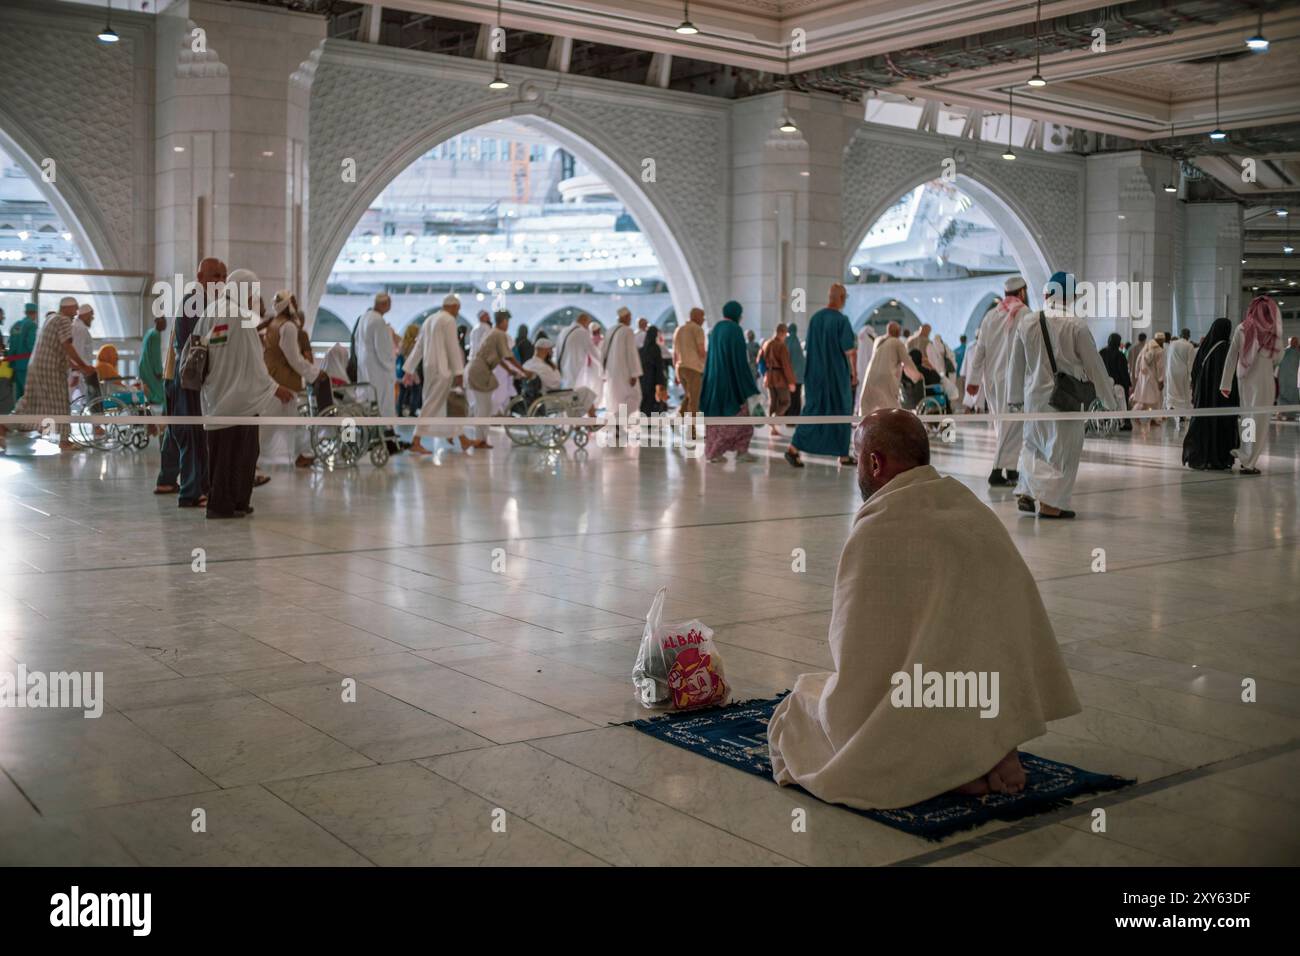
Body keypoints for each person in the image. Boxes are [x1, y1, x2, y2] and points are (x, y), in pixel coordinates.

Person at [768, 409, 1080, 808]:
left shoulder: (879, 527)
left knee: (798, 714)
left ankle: (941, 767)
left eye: (858, 456)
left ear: (875, 462)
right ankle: (988, 748)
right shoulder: (969, 508)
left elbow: (859, 657)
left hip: (923, 700)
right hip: (985, 700)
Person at [1007, 272, 1118, 518]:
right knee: (1061, 452)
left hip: (1034, 399)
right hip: (1065, 400)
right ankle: (1051, 505)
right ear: (1071, 298)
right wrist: (1110, 402)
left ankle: (1026, 488)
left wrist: (1013, 399)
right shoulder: (1076, 325)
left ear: (1046, 294)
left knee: (1033, 446)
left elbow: (1015, 365)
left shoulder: (1027, 322)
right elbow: (1095, 367)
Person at [194, 269, 293, 519]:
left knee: (220, 456)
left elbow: (197, 347)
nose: (253, 298)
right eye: (252, 292)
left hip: (215, 397)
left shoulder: (211, 311)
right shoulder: (241, 317)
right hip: (241, 401)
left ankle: (220, 503)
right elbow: (254, 364)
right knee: (243, 455)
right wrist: (274, 388)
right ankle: (235, 503)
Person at [155, 258, 222, 504]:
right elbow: (192, 346)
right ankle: (193, 492)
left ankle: (167, 480)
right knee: (192, 434)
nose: (221, 281)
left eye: (223, 276)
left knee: (177, 433)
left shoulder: (203, 302)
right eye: (215, 276)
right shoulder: (196, 302)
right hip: (186, 379)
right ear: (201, 277)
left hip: (176, 376)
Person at [0, 298, 93, 451]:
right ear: (67, 308)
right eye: (74, 309)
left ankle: (4, 426)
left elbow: (56, 348)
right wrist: (83, 366)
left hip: (34, 365)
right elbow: (66, 345)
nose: (76, 312)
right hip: (50, 368)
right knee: (61, 402)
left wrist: (76, 366)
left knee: (30, 401)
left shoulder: (50, 318)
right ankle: (64, 441)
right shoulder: (63, 320)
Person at [965, 276, 1031, 486]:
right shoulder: (1024, 314)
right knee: (1011, 425)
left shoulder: (991, 316)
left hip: (992, 380)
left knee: (1003, 424)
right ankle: (996, 470)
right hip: (1015, 380)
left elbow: (980, 349)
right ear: (1022, 292)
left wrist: (973, 380)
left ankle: (1011, 470)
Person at [786, 283, 857, 468]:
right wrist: (854, 373)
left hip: (815, 375)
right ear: (841, 299)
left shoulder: (815, 319)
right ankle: (843, 454)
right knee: (841, 411)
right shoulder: (842, 321)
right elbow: (850, 350)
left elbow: (808, 347)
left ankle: (793, 449)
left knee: (812, 410)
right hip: (836, 376)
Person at [1220, 295, 1283, 475]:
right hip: (1264, 380)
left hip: (1244, 379)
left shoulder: (1242, 328)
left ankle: (1246, 454)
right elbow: (1278, 358)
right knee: (1260, 421)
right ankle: (1250, 461)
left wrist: (1226, 384)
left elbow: (1232, 356)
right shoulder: (1273, 332)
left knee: (1247, 417)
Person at [401, 293, 469, 455]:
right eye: (457, 309)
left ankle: (462, 438)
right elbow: (453, 347)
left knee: (446, 404)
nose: (457, 313)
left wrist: (409, 369)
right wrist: (459, 372)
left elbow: (418, 347)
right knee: (432, 404)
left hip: (429, 368)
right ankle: (416, 441)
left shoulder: (429, 320)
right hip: (443, 369)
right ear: (452, 307)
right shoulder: (448, 320)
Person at [259, 290, 320, 468]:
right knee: (269, 424)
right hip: (284, 382)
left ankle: (300, 454)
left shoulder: (275, 323)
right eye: (293, 300)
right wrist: (314, 374)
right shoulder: (289, 326)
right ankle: (251, 456)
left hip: (275, 379)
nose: (296, 303)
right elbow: (294, 358)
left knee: (293, 422)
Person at [699, 300, 759, 463]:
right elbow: (739, 360)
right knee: (739, 418)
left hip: (714, 380)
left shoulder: (716, 329)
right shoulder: (735, 330)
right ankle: (736, 451)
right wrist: (748, 384)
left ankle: (713, 451)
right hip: (731, 382)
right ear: (737, 314)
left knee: (716, 419)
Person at [465, 307, 530, 449]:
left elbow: (500, 358)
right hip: (480, 370)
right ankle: (479, 439)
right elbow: (509, 356)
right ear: (504, 321)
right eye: (507, 321)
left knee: (484, 407)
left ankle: (481, 439)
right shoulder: (498, 334)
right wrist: (524, 371)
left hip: (480, 369)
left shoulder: (493, 333)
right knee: (484, 408)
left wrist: (510, 371)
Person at [1182, 318, 1238, 471]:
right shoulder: (1227, 348)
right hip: (1223, 399)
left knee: (1204, 424)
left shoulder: (1205, 347)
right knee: (1221, 426)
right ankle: (1220, 458)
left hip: (1204, 396)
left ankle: (1202, 456)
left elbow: (1194, 371)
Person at [857, 321, 921, 418]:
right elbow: (907, 362)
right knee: (893, 414)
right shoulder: (897, 342)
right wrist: (917, 376)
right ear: (898, 332)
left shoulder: (878, 341)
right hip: (885, 380)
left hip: (870, 379)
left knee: (866, 413)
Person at [355, 293, 397, 421]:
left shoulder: (364, 317)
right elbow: (383, 349)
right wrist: (391, 367)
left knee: (369, 396)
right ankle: (384, 431)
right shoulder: (378, 320)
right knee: (382, 400)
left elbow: (356, 341)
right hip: (378, 368)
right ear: (385, 304)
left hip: (365, 363)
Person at [601, 306, 641, 427]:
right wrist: (634, 373)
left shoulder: (610, 330)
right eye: (629, 317)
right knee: (634, 397)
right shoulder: (627, 331)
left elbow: (602, 352)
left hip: (611, 371)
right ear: (625, 317)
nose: (630, 319)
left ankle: (617, 424)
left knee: (617, 400)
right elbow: (631, 353)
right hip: (625, 371)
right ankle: (617, 422)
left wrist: (603, 372)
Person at [557, 312, 601, 413]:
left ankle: (574, 422)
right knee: (578, 395)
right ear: (584, 321)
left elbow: (558, 350)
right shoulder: (582, 332)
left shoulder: (564, 330)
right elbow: (593, 351)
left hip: (563, 368)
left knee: (569, 393)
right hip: (575, 369)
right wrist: (603, 364)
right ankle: (577, 420)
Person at [759, 323, 795, 437]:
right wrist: (791, 381)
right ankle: (775, 418)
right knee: (786, 401)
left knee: (773, 402)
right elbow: (786, 365)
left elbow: (759, 361)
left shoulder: (766, 344)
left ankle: (773, 428)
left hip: (769, 377)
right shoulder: (781, 346)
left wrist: (765, 373)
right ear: (782, 333)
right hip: (780, 377)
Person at [672, 307, 707, 415]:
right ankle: (692, 430)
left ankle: (677, 419)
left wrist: (675, 371)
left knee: (689, 396)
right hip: (693, 368)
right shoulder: (697, 329)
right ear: (696, 317)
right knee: (694, 401)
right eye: (702, 317)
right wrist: (708, 363)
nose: (703, 320)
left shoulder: (679, 329)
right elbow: (701, 351)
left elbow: (675, 354)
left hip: (680, 368)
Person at [1098, 332, 1132, 431]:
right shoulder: (1120, 355)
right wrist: (1128, 384)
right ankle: (1124, 421)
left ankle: (1105, 419)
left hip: (1104, 383)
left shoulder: (1102, 353)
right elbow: (1123, 372)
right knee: (1123, 399)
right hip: (1118, 384)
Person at [1131, 331, 1165, 425]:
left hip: (1143, 377)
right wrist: (1161, 380)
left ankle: (1135, 415)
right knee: (1155, 399)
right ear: (1161, 340)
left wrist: (1137, 374)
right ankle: (1155, 419)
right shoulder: (1159, 350)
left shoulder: (1146, 346)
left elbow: (1138, 360)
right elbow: (1160, 367)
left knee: (1142, 399)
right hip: (1153, 378)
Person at [1164, 328, 1197, 426]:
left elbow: (1168, 358)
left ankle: (1171, 409)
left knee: (1172, 392)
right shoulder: (1189, 346)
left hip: (1171, 370)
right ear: (1188, 335)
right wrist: (1192, 378)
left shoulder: (1172, 344)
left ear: (1180, 334)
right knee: (1183, 393)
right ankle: (1182, 414)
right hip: (1183, 372)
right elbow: (1190, 363)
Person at [8, 303, 38, 401]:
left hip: (16, 364)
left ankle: (18, 415)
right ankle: (28, 416)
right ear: (35, 313)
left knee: (19, 394)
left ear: (25, 312)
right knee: (29, 394)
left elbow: (12, 344)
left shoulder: (17, 325)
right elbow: (31, 344)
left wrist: (11, 361)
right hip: (27, 364)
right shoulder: (31, 325)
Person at [68, 303, 96, 407]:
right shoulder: (80, 329)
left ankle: (95, 423)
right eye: (91, 315)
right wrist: (76, 373)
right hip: (80, 371)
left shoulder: (77, 326)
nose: (92, 318)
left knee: (87, 398)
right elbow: (77, 351)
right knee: (89, 398)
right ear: (85, 315)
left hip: (80, 370)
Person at [137, 315, 167, 409]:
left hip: (144, 367)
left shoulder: (150, 332)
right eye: (163, 320)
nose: (165, 323)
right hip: (151, 369)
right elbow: (155, 355)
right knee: (162, 394)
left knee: (148, 393)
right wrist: (159, 372)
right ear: (157, 321)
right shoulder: (155, 335)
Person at [638, 325, 668, 416]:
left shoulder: (641, 350)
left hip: (643, 379)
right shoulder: (655, 348)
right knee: (654, 401)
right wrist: (661, 381)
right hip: (654, 378)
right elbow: (659, 366)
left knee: (645, 400)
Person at [786, 321, 806, 416]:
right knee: (797, 396)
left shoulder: (787, 341)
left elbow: (786, 358)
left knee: (789, 396)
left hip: (790, 376)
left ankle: (789, 417)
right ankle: (796, 416)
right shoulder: (798, 341)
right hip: (799, 376)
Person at [1278, 336, 1300, 417]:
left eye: (1296, 342)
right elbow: (1277, 361)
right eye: (1293, 341)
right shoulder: (1285, 352)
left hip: (1293, 380)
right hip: (1285, 379)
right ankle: (1280, 413)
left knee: (1293, 396)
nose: (1295, 343)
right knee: (1284, 396)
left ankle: (1291, 415)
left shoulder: (1297, 353)